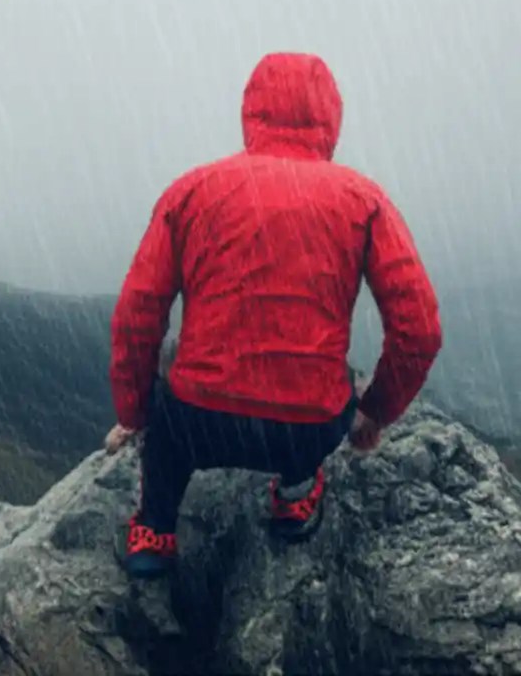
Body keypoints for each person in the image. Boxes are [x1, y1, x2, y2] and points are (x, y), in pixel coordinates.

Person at [104, 52, 443, 579]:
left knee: (167, 406)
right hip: (309, 428)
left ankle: (155, 530)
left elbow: (136, 314)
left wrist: (133, 410)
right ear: (331, 118)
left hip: (198, 422)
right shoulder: (364, 200)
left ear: (252, 113)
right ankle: (294, 494)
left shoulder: (191, 190)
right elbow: (419, 330)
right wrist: (374, 412)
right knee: (329, 380)